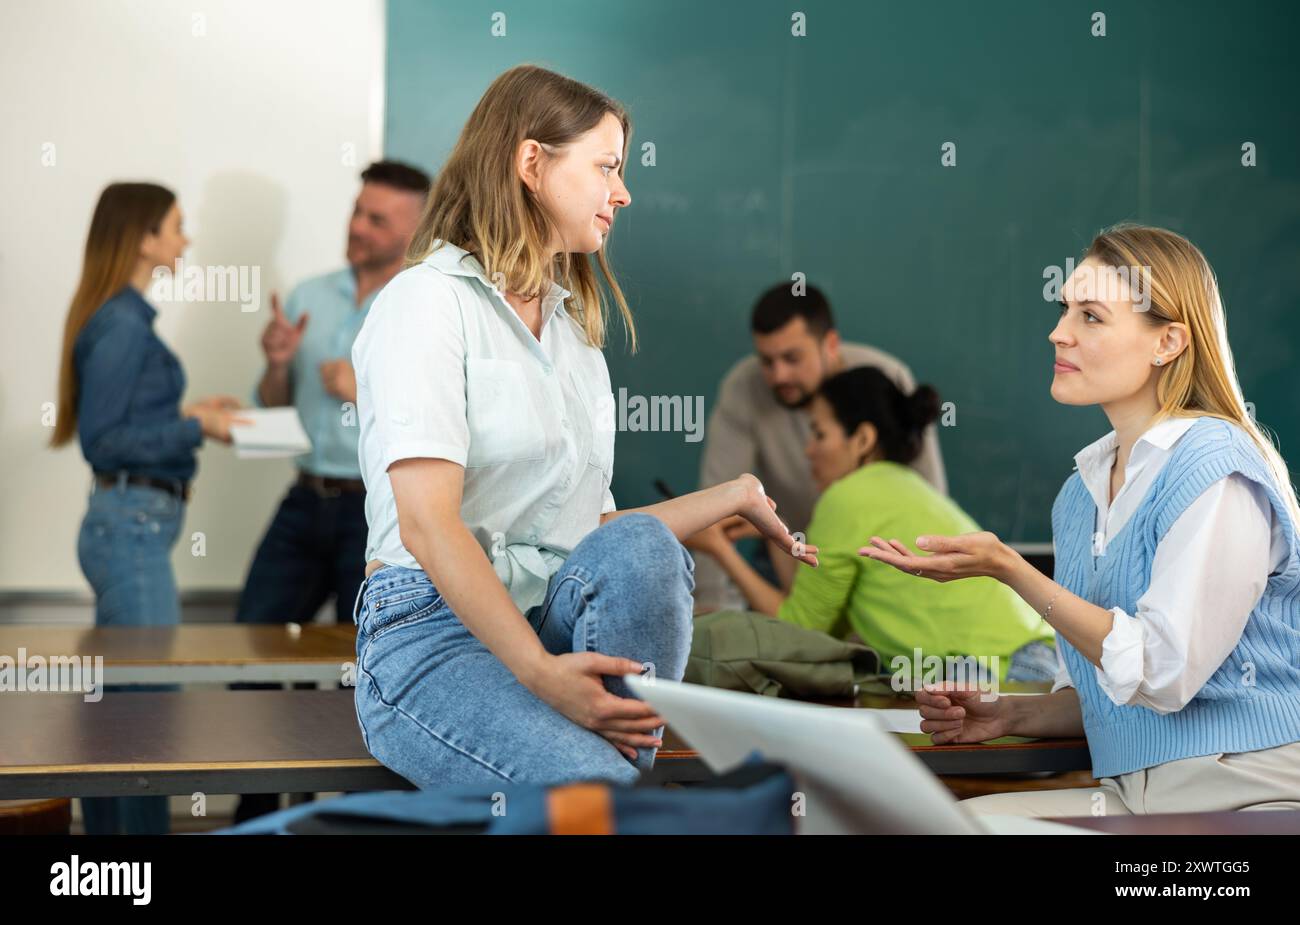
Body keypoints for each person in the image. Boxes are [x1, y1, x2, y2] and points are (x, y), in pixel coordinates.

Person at [350, 64, 816, 788]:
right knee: (601, 794)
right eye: (606, 167)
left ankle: (615, 779)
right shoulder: (426, 304)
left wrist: (733, 494)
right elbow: (428, 526)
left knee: (641, 548)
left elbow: (597, 534)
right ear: (532, 163)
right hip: (431, 630)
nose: (623, 192)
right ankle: (612, 786)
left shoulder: (575, 337)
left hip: (549, 613)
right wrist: (540, 675)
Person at [863, 224, 1300, 815]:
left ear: (1167, 342)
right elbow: (1107, 692)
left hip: (1249, 793)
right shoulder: (1080, 495)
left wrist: (1012, 570)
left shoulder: (1214, 468)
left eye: (1090, 316)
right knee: (961, 823)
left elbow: (1160, 674)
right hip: (1136, 797)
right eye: (1065, 308)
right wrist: (1006, 715)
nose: (1059, 332)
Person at [231, 162, 429, 822]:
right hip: (303, 498)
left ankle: (353, 819)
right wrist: (278, 364)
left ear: (416, 227)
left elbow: (441, 414)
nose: (357, 226)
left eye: (378, 219)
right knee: (250, 649)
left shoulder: (425, 304)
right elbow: (274, 408)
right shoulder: (311, 292)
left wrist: (363, 391)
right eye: (356, 210)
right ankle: (257, 813)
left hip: (374, 516)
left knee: (363, 674)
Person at [51, 182, 246, 834]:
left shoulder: (123, 320)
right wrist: (198, 430)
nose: (185, 240)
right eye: (176, 226)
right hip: (128, 527)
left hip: (133, 528)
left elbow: (125, 424)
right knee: (143, 708)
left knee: (126, 704)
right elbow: (103, 441)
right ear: (143, 237)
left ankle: (117, 852)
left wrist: (188, 414)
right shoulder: (123, 324)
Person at [687, 366, 1055, 683]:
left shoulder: (846, 498)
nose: (807, 450)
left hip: (992, 670)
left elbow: (798, 632)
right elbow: (815, 611)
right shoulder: (904, 485)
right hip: (1040, 656)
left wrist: (719, 548)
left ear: (862, 439)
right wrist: (775, 534)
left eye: (819, 434)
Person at [695, 284, 947, 609]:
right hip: (790, 544)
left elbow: (929, 501)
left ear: (830, 345)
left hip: (878, 560)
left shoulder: (884, 378)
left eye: (792, 358)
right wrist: (711, 612)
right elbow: (718, 503)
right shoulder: (743, 388)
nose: (779, 375)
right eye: (767, 361)